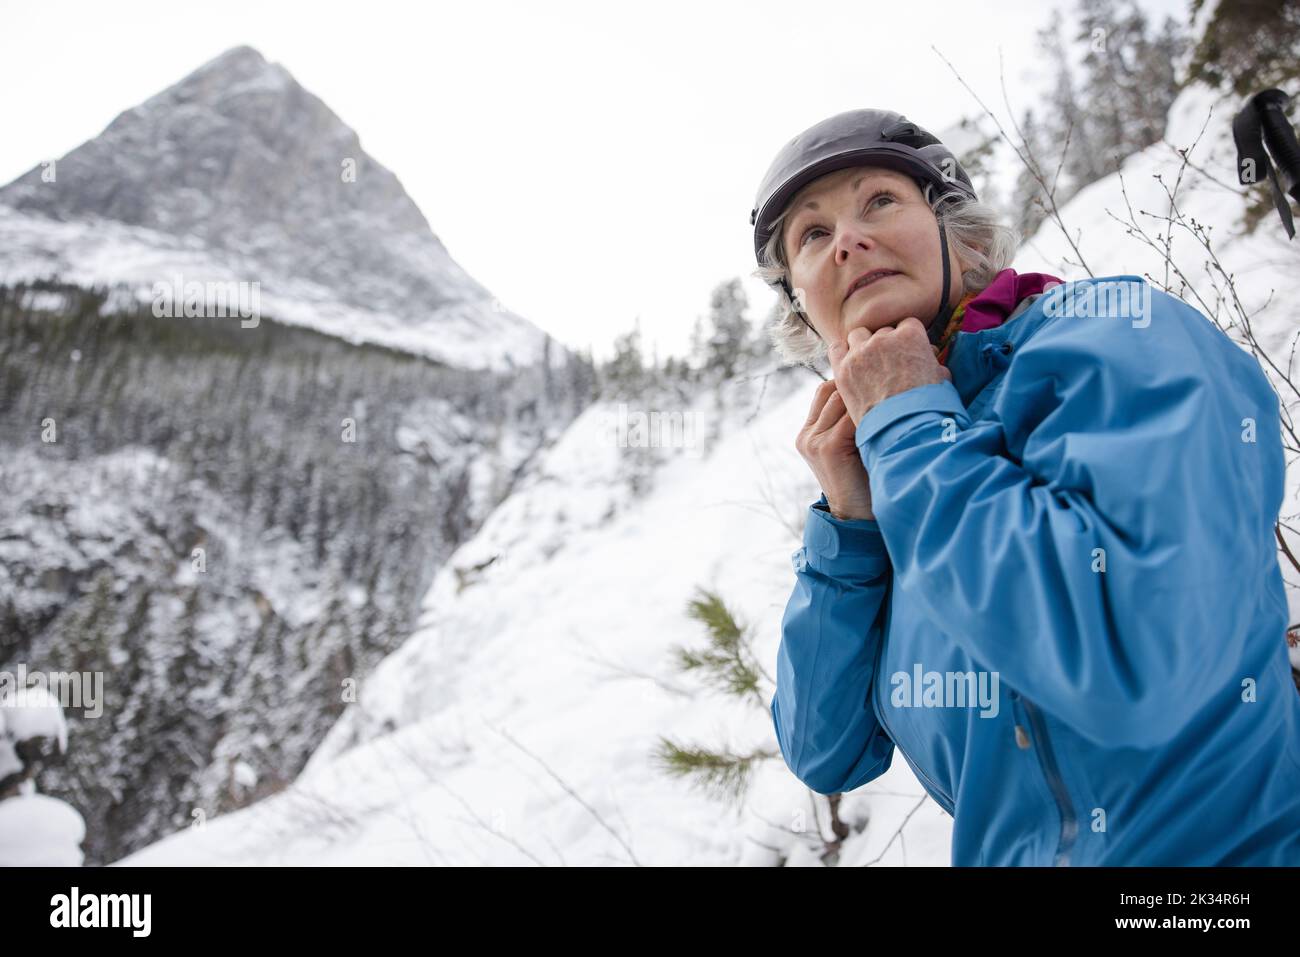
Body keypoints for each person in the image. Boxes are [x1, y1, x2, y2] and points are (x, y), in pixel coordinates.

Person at [754, 107, 1300, 865]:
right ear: (801, 307)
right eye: (812, 235)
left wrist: (910, 426)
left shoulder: (1114, 337)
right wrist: (850, 526)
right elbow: (825, 748)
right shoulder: (894, 482)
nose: (846, 238)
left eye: (879, 200)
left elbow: (1133, 659)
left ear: (966, 237)